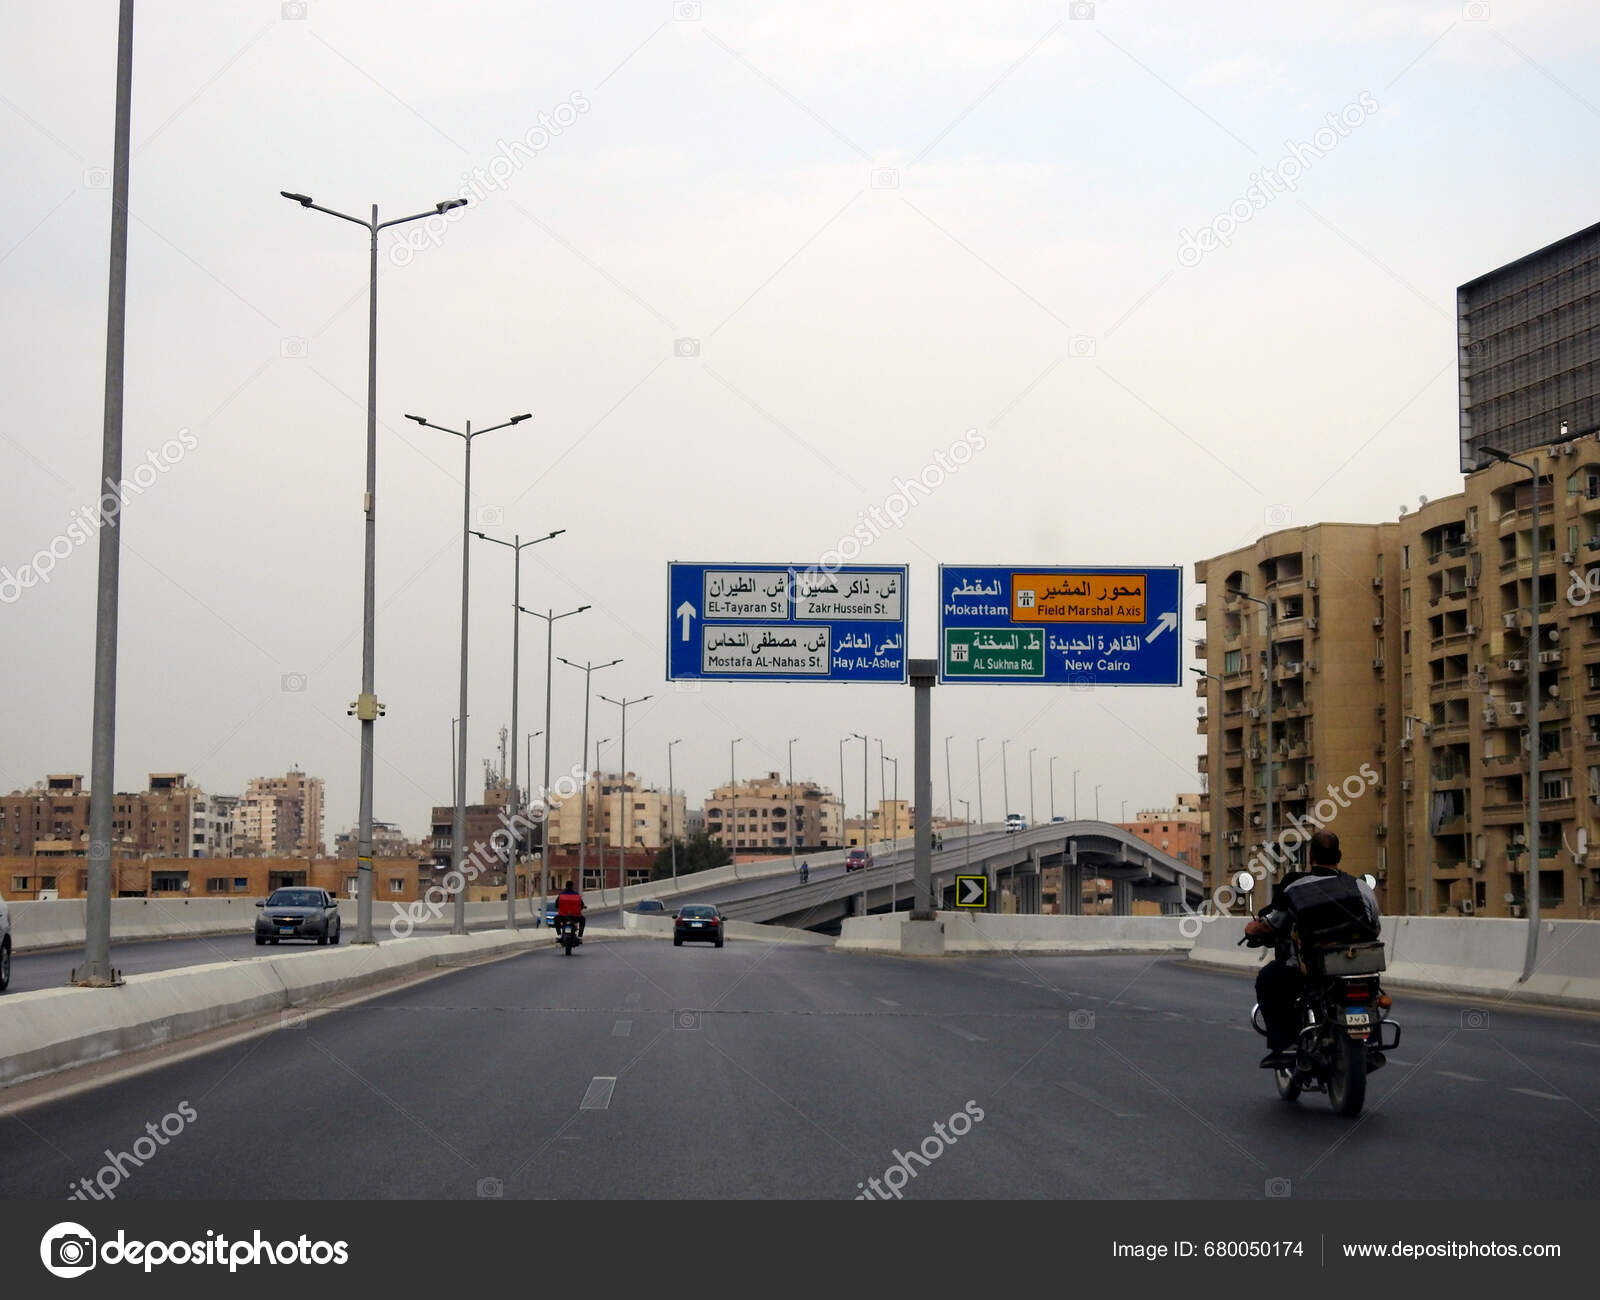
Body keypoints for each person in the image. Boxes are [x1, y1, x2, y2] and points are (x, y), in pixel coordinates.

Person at [1245, 829, 1379, 1069]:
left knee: (1268, 979)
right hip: (1358, 964)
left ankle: (1285, 1044)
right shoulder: (1360, 887)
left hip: (1312, 968)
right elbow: (1374, 927)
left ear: (1311, 856)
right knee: (1370, 993)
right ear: (1339, 856)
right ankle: (1371, 1041)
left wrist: (1252, 929)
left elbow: (1274, 924)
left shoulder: (1295, 889)